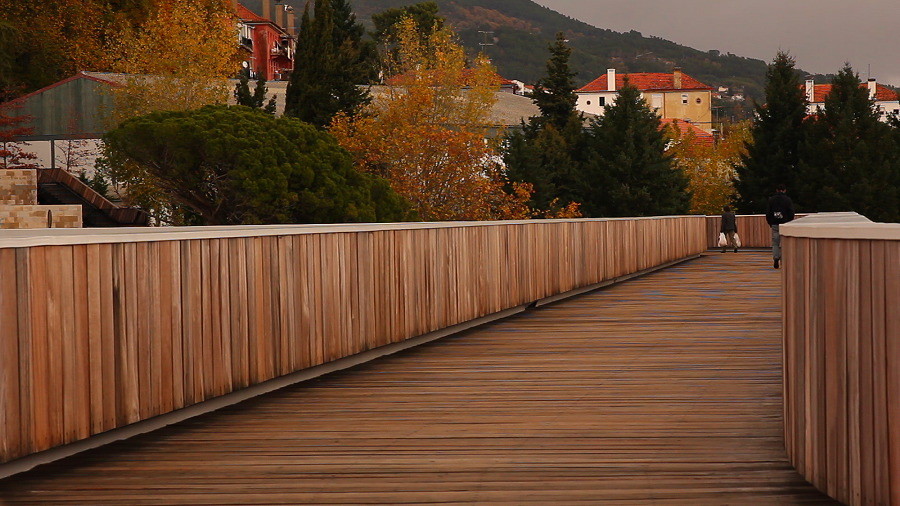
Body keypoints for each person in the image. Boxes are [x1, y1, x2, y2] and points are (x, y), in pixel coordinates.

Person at [766, 184, 795, 269]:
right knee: (784, 243)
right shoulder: (787, 200)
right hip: (785, 223)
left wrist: (770, 222)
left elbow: (768, 213)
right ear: (784, 190)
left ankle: (776, 258)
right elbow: (791, 212)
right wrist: (789, 222)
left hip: (775, 224)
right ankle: (784, 260)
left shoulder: (771, 200)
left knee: (775, 243)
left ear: (776, 190)